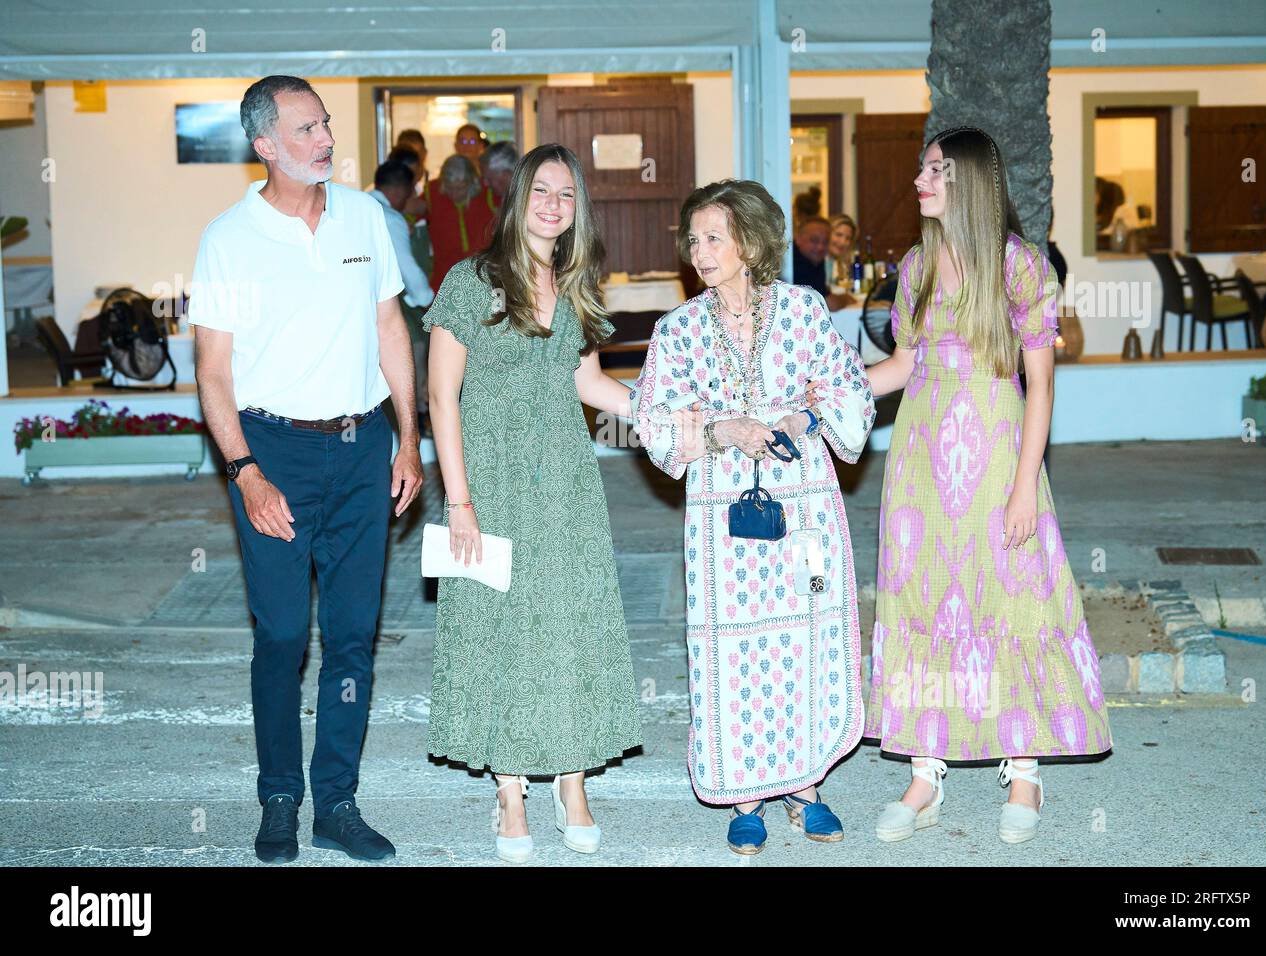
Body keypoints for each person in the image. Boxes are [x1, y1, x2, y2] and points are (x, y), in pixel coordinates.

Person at [189, 75, 424, 863]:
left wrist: (410, 437)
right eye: (305, 130)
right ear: (264, 146)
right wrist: (247, 473)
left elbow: (391, 327)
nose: (324, 139)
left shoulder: (365, 216)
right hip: (274, 453)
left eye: (324, 123)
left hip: (362, 449)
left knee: (353, 637)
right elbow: (213, 372)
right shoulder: (228, 238)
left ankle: (337, 800)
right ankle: (279, 796)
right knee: (284, 635)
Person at [862, 126, 1112, 846]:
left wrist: (1026, 485)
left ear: (968, 180)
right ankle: (924, 772)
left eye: (935, 170)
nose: (920, 180)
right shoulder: (915, 267)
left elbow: (1040, 387)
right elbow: (901, 368)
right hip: (918, 465)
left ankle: (1025, 765)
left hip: (1001, 458)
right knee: (921, 605)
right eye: (921, 169)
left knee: (1011, 600)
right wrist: (832, 394)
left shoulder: (1023, 268)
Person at [424, 143, 666, 863]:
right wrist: (459, 501)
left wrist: (668, 414)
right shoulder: (471, 281)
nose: (555, 204)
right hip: (490, 482)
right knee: (498, 629)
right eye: (544, 191)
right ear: (519, 196)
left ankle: (572, 780)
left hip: (565, 479)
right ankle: (508, 792)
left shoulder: (577, 283)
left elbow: (590, 385)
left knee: (568, 627)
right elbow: (441, 395)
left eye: (567, 194)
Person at [633, 179, 876, 855]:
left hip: (802, 502)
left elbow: (847, 388)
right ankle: (746, 792)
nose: (700, 251)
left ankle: (805, 786)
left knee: (804, 636)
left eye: (714, 237)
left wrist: (805, 414)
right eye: (694, 239)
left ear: (751, 242)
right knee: (733, 645)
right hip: (720, 514)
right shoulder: (676, 329)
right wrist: (722, 428)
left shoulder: (803, 310)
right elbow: (654, 422)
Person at [370, 158, 435, 435]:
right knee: (407, 365)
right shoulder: (388, 217)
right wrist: (429, 302)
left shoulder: (354, 208)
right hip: (384, 312)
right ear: (399, 192)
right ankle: (412, 432)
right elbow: (407, 269)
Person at [427, 153, 493, 295]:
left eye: (461, 188)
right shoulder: (432, 192)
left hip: (483, 279)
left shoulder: (488, 192)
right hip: (444, 280)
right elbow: (410, 208)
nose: (455, 194)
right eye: (450, 188)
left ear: (472, 182)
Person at [481, 140, 519, 219]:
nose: (485, 183)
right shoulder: (501, 198)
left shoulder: (527, 202)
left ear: (506, 174)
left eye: (489, 179)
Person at [826, 213, 858, 287]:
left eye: (848, 238)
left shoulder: (843, 265)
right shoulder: (813, 262)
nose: (843, 242)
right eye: (838, 235)